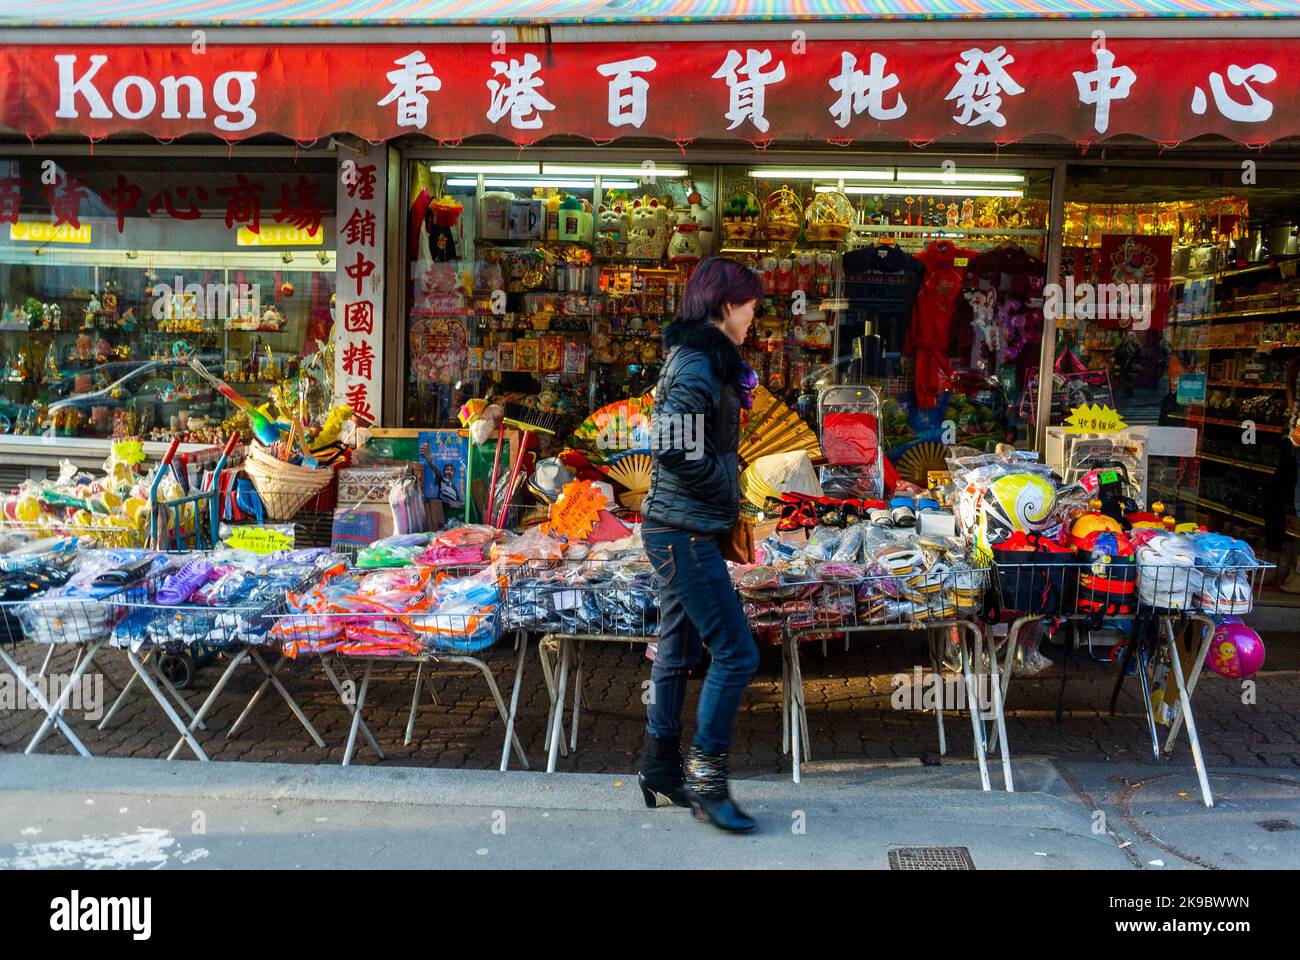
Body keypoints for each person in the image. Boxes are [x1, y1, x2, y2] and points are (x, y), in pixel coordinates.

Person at [637, 256, 762, 833]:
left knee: (678, 649)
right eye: (751, 305)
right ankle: (708, 783)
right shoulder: (695, 364)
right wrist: (726, 483)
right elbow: (672, 446)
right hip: (682, 532)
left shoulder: (707, 360)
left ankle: (659, 768)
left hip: (680, 526)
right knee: (736, 651)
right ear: (726, 306)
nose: (755, 317)